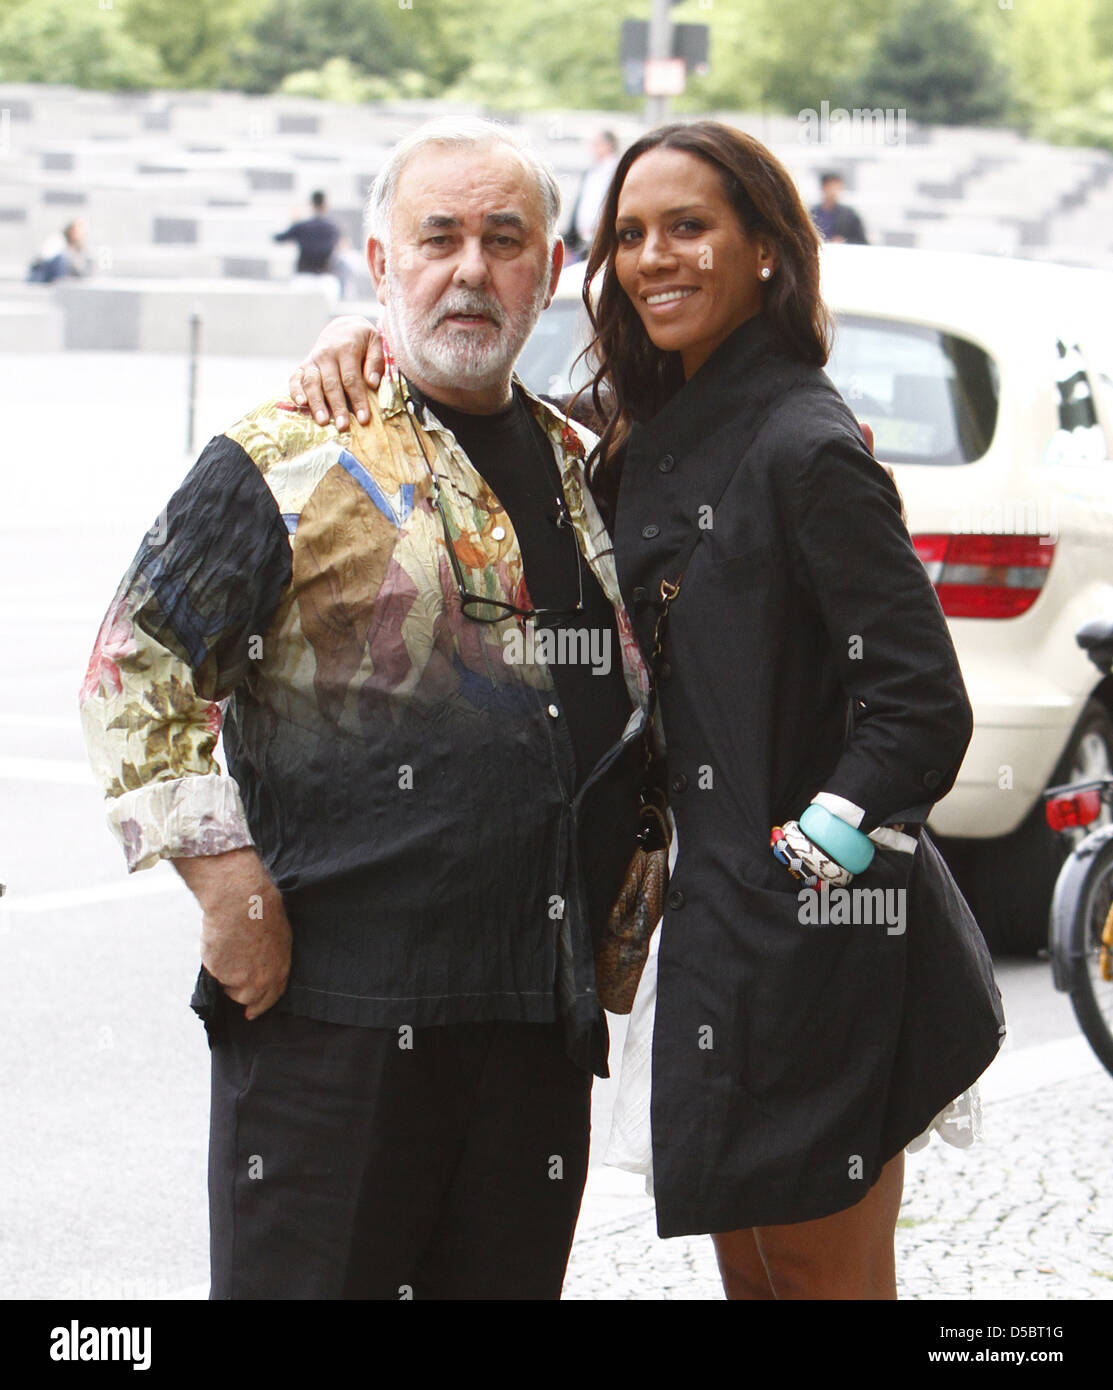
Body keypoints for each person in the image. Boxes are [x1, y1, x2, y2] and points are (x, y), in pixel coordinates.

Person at [290, 121, 1004, 1301]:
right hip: (725, 943)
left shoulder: (808, 443)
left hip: (820, 940)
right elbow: (488, 400)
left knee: (821, 1280)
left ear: (768, 250)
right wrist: (357, 332)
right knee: (759, 1282)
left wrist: (805, 858)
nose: (653, 257)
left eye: (689, 227)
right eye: (629, 234)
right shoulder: (641, 425)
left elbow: (920, 705)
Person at [79, 117, 653, 1300]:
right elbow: (135, 665)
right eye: (436, 237)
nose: (470, 268)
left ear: (550, 275)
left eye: (505, 241)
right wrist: (226, 884)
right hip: (333, 1026)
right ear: (382, 264)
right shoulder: (289, 451)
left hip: (535, 1023)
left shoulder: (589, 466)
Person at [562, 130, 621, 263]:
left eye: (596, 143)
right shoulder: (592, 171)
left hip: (605, 240)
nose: (592, 148)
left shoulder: (617, 171)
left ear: (608, 145)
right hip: (583, 241)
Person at [274, 189, 341, 277]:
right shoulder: (333, 227)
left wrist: (293, 222)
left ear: (312, 204)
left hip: (304, 276)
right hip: (325, 277)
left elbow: (278, 238)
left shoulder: (301, 226)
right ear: (325, 205)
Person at [811, 171, 868, 245]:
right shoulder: (812, 213)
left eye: (837, 188)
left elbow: (862, 241)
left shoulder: (850, 215)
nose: (833, 192)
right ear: (823, 188)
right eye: (830, 187)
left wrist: (845, 241)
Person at [27, 218, 90, 283]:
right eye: (78, 230)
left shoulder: (76, 246)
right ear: (71, 230)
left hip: (60, 275)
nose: (81, 234)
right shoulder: (57, 240)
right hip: (43, 275)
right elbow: (45, 258)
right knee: (60, 258)